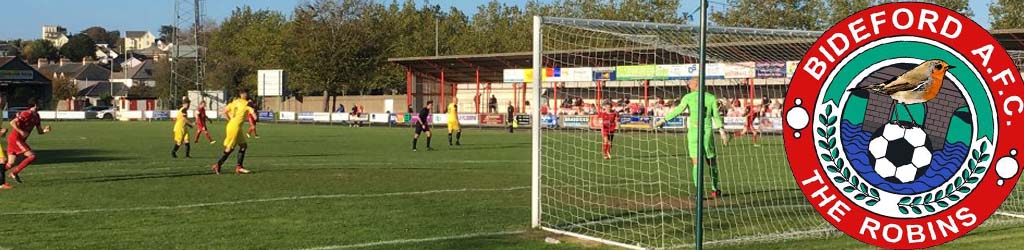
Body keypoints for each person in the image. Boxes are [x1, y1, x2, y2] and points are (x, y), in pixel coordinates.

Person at [655, 79, 724, 199]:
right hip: (706, 131)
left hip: (694, 132)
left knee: (696, 162)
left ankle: (699, 192)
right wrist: (721, 130)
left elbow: (678, 110)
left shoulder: (688, 97)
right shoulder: (711, 97)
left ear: (695, 84)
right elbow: (716, 115)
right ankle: (714, 189)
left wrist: (663, 120)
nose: (688, 84)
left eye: (690, 83)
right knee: (711, 160)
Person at [5, 104, 51, 185]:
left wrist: (45, 130)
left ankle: (6, 174)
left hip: (17, 140)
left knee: (10, 164)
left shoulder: (37, 116)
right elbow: (12, 122)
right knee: (32, 156)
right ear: (35, 105)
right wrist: (21, 131)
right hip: (16, 139)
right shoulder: (27, 113)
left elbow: (39, 132)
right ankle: (14, 173)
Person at [212, 91, 256, 175]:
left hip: (233, 126)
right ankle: (218, 164)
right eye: (246, 93)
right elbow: (255, 117)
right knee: (230, 148)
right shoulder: (247, 104)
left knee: (243, 146)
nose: (246, 95)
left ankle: (239, 167)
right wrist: (253, 109)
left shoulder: (234, 102)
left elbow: (224, 111)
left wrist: (230, 119)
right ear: (243, 94)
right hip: (235, 128)